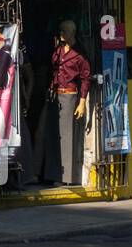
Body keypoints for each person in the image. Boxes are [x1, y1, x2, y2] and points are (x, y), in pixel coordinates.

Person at [33, 20, 91, 186]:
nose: (61, 33)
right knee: (46, 134)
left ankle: (64, 178)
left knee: (65, 137)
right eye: (60, 30)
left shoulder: (80, 54)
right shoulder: (58, 50)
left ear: (71, 33)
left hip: (68, 95)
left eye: (64, 30)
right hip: (53, 95)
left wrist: (82, 102)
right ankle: (45, 173)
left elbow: (86, 78)